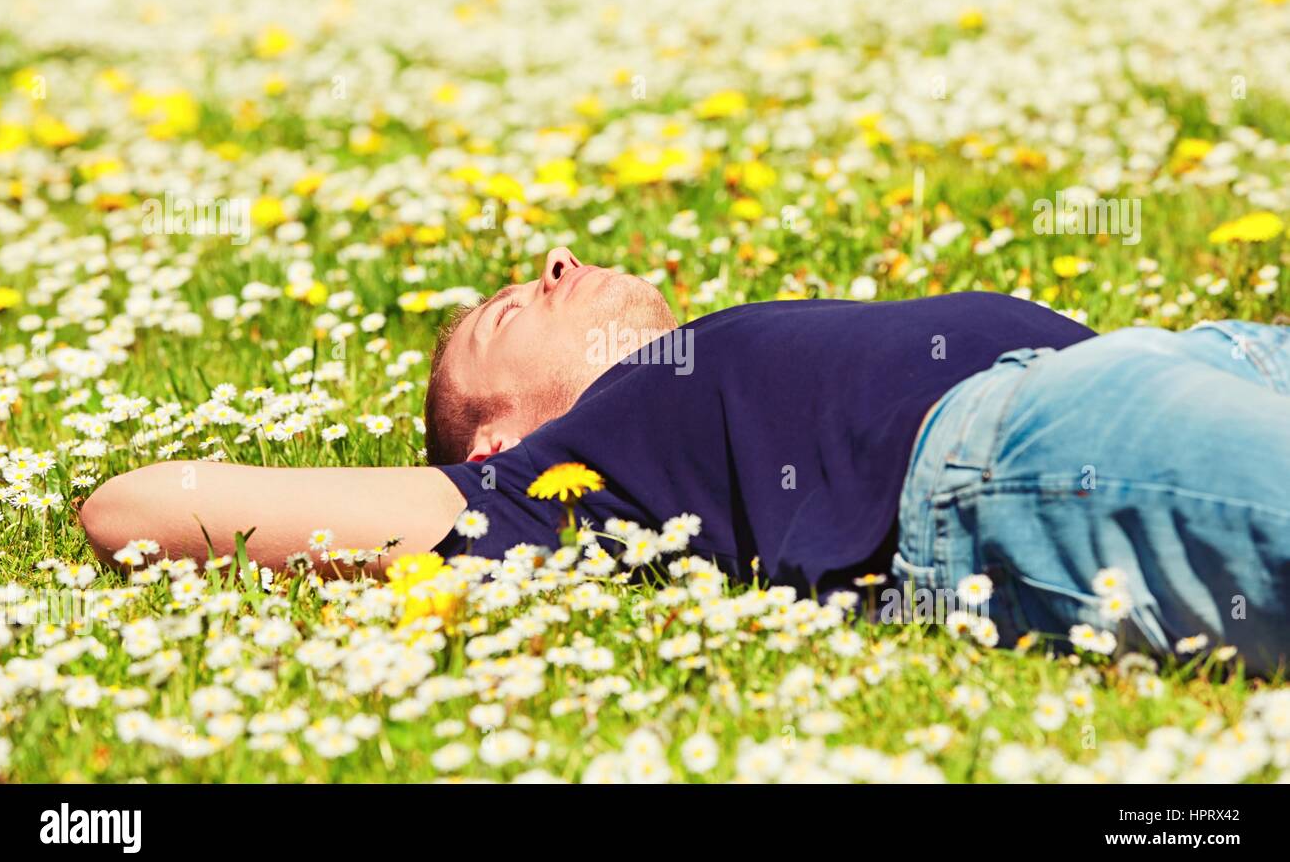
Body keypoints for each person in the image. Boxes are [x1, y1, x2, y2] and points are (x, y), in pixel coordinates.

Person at [81, 248, 1290, 672]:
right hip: (1035, 452)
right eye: (510, 309)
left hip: (1190, 357)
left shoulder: (703, 372)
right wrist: (458, 495)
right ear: (503, 441)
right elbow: (129, 506)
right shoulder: (542, 487)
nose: (553, 262)